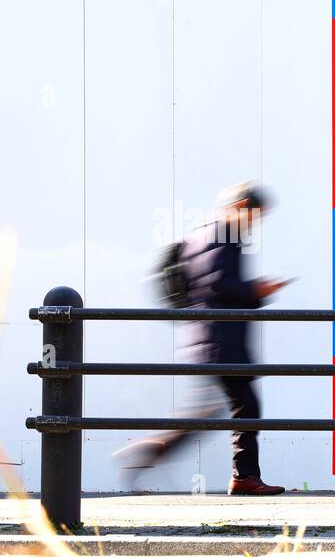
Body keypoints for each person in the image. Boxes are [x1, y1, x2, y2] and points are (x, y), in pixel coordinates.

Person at [114, 182, 292, 495]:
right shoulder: (223, 234)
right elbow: (219, 284)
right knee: (243, 406)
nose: (255, 222)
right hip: (220, 338)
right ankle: (242, 476)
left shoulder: (204, 233)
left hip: (210, 337)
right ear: (243, 206)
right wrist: (257, 291)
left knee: (219, 410)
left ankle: (158, 451)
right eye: (256, 215)